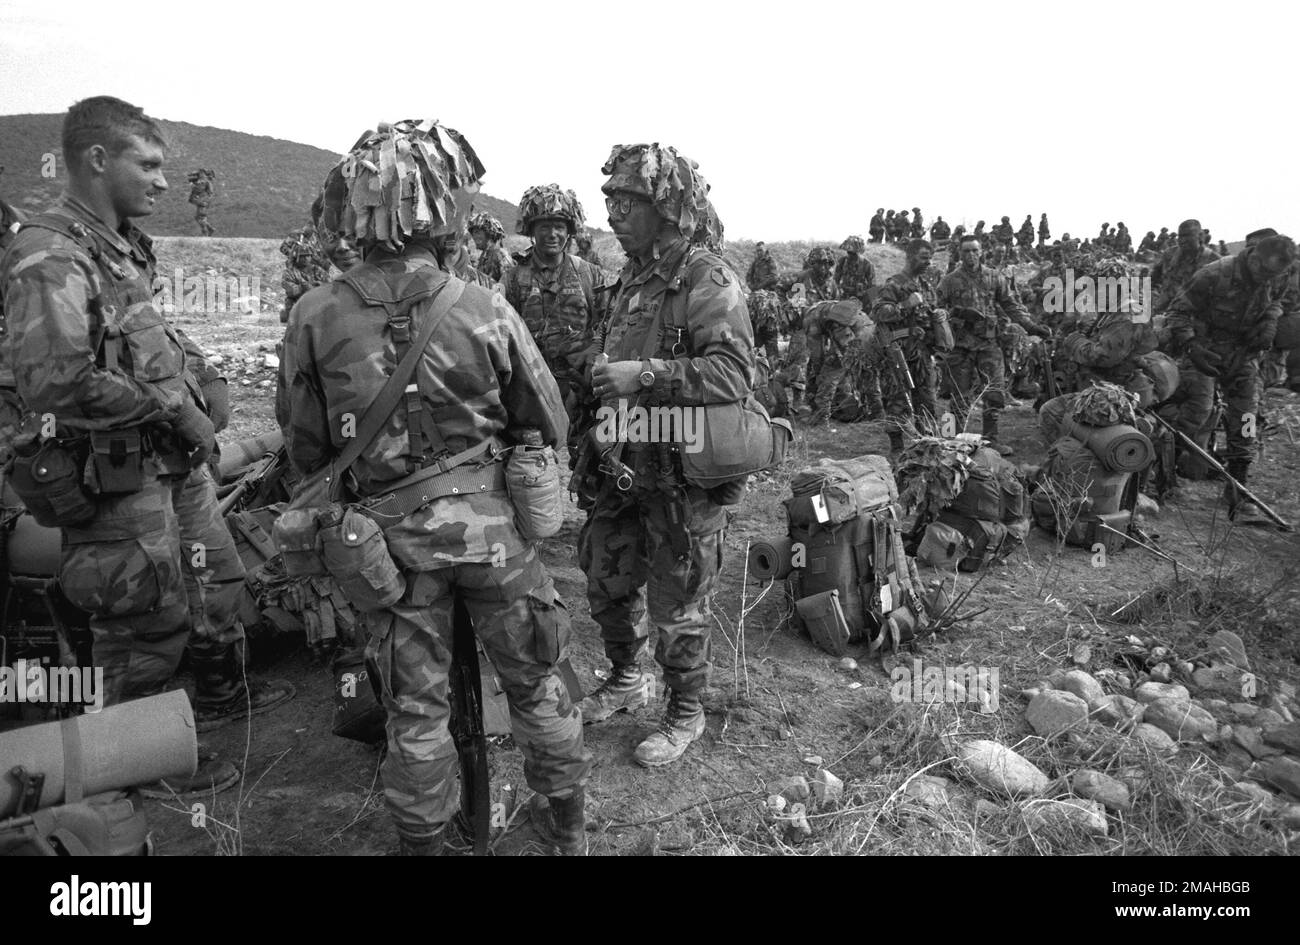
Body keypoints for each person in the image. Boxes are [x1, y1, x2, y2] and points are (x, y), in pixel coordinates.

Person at [280, 118, 591, 855]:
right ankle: (569, 829)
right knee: (540, 681)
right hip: (494, 541)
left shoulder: (315, 315)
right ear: (444, 204)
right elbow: (547, 416)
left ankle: (424, 844)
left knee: (414, 713)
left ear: (356, 208)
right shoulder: (484, 306)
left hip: (389, 550)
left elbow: (305, 450)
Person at [0, 96, 292, 792]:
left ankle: (222, 698)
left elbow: (138, 339)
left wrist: (188, 399)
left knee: (212, 582)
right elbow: (55, 382)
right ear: (98, 160)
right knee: (140, 621)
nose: (163, 181)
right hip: (113, 476)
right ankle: (132, 766)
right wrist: (169, 410)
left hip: (172, 464)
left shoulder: (119, 241)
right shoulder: (50, 253)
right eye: (150, 164)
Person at [576, 142, 754, 768]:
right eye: (610, 202)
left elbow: (732, 374)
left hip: (681, 478)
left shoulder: (707, 277)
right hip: (621, 468)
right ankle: (626, 679)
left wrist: (643, 377)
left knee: (677, 604)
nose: (614, 214)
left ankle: (685, 711)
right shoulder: (629, 280)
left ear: (667, 207)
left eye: (628, 201)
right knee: (605, 583)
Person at [1165, 233, 1296, 515]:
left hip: (1244, 355)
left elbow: (1278, 301)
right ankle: (1164, 472)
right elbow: (1177, 312)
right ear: (1253, 255)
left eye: (1273, 274)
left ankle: (1239, 485)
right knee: (1197, 411)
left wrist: (1271, 319)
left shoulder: (1278, 276)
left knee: (1247, 416)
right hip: (1204, 351)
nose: (1265, 278)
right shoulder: (1215, 273)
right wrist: (1191, 346)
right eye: (1262, 270)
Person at [502, 184, 605, 461]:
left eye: (559, 226)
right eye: (544, 226)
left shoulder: (589, 275)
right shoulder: (513, 278)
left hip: (578, 394)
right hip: (530, 393)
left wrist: (591, 359)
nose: (552, 234)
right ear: (531, 231)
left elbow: (606, 326)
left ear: (569, 230)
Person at [937, 235, 1049, 454]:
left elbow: (1011, 305)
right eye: (966, 251)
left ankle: (991, 440)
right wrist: (958, 313)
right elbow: (936, 310)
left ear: (981, 253)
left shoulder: (994, 277)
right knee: (957, 396)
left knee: (994, 392)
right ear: (960, 253)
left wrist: (1031, 326)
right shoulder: (949, 280)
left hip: (988, 343)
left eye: (974, 250)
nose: (970, 255)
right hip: (960, 346)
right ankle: (950, 439)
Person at [870, 238, 946, 452]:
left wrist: (940, 314)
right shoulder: (893, 283)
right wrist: (905, 304)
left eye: (930, 258)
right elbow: (878, 313)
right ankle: (897, 448)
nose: (928, 262)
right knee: (897, 399)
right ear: (910, 256)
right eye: (923, 258)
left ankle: (927, 444)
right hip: (899, 352)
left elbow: (931, 311)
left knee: (927, 398)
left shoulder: (926, 285)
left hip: (922, 351)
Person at [1151, 219, 1220, 312]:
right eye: (1180, 236)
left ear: (1200, 236)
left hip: (1194, 318)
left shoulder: (1214, 260)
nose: (1182, 240)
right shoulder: (1169, 254)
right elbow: (1151, 279)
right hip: (1164, 312)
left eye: (1187, 236)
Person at [279, 224, 331, 322]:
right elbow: (283, 248)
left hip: (317, 271)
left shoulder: (327, 237)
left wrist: (316, 260)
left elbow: (328, 258)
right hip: (298, 270)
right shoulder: (297, 235)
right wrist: (296, 254)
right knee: (296, 294)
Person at [467, 211, 512, 283]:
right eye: (473, 234)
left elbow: (508, 284)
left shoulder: (500, 254)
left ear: (488, 233)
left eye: (477, 232)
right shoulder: (484, 256)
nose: (474, 237)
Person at [834, 234, 875, 305]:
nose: (850, 255)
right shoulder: (842, 261)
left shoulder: (867, 264)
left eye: (853, 253)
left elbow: (873, 287)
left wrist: (869, 303)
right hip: (844, 298)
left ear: (859, 252)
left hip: (860, 300)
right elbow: (835, 281)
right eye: (848, 252)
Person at [188, 167, 215, 236]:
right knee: (198, 217)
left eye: (200, 173)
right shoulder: (200, 181)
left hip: (203, 201)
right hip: (199, 201)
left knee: (201, 217)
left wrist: (205, 201)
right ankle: (210, 229)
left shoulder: (206, 182)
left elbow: (210, 193)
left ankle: (205, 232)